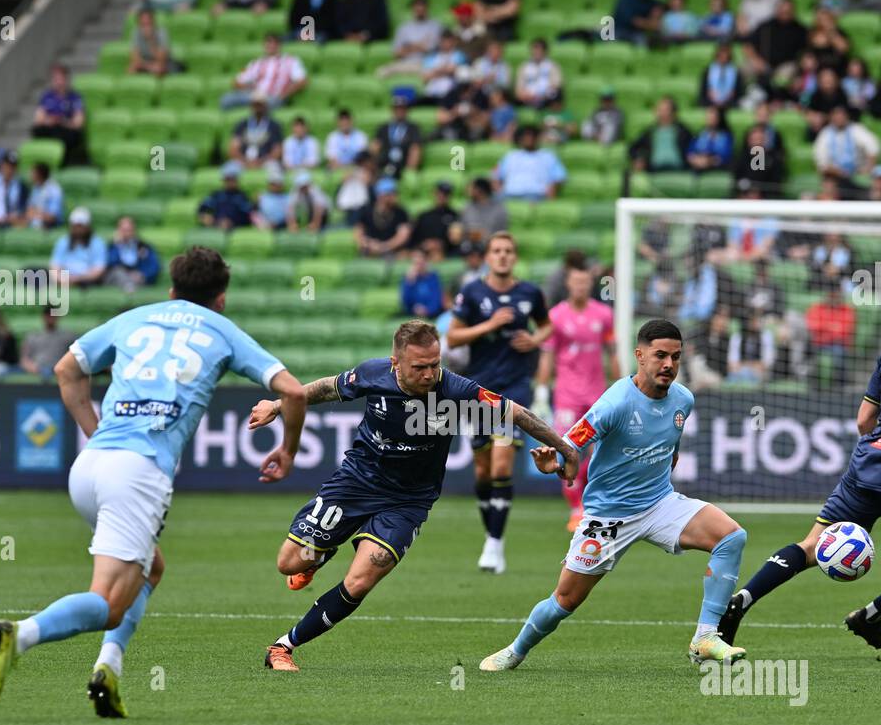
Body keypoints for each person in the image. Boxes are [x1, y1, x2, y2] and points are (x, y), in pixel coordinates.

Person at [0, 247, 308, 714]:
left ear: (171, 291)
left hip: (90, 468)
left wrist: (95, 434)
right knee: (108, 603)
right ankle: (21, 634)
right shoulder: (222, 330)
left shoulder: (135, 317)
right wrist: (288, 451)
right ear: (221, 299)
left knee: (150, 568)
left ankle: (107, 670)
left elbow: (66, 370)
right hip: (137, 474)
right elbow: (293, 391)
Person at [248, 319, 576, 671]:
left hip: (408, 501)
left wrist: (564, 449)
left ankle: (282, 647)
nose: (429, 374)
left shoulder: (456, 389)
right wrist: (278, 405)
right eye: (419, 367)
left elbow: (516, 413)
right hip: (356, 483)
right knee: (290, 562)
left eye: (435, 364)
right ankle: (320, 555)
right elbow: (327, 388)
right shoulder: (373, 374)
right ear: (396, 363)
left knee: (362, 578)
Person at [720, 260, 881, 651]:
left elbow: (863, 419)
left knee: (810, 546)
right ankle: (870, 615)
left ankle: (741, 601)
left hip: (867, 466)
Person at [480, 318, 750, 671]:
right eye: (660, 356)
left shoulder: (684, 399)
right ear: (639, 355)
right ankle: (515, 650)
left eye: (676, 357)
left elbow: (672, 447)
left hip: (658, 503)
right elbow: (571, 443)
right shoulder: (615, 404)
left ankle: (705, 637)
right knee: (566, 599)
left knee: (732, 537)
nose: (668, 364)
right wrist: (557, 465)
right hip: (608, 515)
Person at [446, 231, 550, 574]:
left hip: (514, 391)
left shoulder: (529, 293)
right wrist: (489, 325)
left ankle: (495, 544)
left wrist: (533, 340)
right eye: (497, 251)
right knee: (484, 470)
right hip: (478, 389)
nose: (503, 256)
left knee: (503, 466)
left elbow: (547, 327)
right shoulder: (474, 292)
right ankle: (490, 535)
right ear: (488, 257)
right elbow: (453, 335)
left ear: (514, 256)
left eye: (508, 250)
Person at [534, 264, 619, 531]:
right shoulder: (556, 316)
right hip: (567, 395)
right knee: (565, 450)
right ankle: (575, 507)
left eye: (585, 282)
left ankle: (587, 501)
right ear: (568, 284)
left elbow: (612, 353)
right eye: (576, 282)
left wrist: (618, 387)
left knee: (599, 453)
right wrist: (541, 390)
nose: (581, 287)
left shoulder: (604, 314)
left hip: (597, 396)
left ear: (590, 284)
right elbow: (547, 355)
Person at [220, 33, 308, 109]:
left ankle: (257, 111)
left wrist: (284, 94)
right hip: (254, 95)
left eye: (274, 42)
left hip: (272, 97)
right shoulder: (255, 63)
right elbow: (237, 82)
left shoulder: (290, 61)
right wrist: (250, 88)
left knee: (270, 103)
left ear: (279, 45)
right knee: (226, 99)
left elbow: (302, 81)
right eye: (268, 42)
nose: (271, 45)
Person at [30, 63, 86, 166]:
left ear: (66, 79)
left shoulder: (75, 97)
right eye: (55, 79)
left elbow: (78, 123)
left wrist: (62, 122)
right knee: (37, 130)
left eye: (60, 78)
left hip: (65, 128)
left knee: (70, 135)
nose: (58, 82)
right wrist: (50, 120)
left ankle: (63, 163)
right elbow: (38, 119)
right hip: (51, 128)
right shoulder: (47, 96)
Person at [493, 124, 566, 201]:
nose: (529, 139)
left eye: (532, 136)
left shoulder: (548, 156)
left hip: (535, 195)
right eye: (526, 136)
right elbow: (495, 176)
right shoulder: (510, 156)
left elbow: (558, 178)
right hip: (509, 194)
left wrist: (550, 197)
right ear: (520, 139)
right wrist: (499, 191)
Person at [379, 0, 442, 76]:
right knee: (381, 71)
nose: (420, 9)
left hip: (425, 64)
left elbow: (432, 50)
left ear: (427, 7)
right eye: (417, 6)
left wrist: (408, 47)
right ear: (413, 8)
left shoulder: (436, 26)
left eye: (422, 5)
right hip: (404, 63)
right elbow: (397, 53)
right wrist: (418, 46)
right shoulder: (403, 28)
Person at [628, 96, 691, 174]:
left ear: (673, 112)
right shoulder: (650, 131)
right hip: (654, 170)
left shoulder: (683, 131)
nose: (661, 112)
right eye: (659, 109)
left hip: (679, 169)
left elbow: (694, 147)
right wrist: (639, 159)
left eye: (665, 109)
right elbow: (633, 147)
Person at [49, 207, 108, 288]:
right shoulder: (63, 241)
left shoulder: (97, 243)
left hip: (86, 281)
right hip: (64, 278)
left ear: (87, 226)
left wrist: (78, 279)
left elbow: (98, 269)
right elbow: (55, 266)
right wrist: (62, 279)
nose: (78, 229)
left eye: (80, 226)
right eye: (75, 226)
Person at [354, 178, 411, 257]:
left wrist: (384, 247)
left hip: (392, 251)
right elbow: (358, 233)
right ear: (381, 196)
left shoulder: (401, 213)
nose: (394, 197)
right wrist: (367, 244)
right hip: (370, 249)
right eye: (391, 193)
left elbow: (403, 235)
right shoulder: (366, 211)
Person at [370, 95, 423, 179]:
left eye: (402, 108)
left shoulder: (413, 128)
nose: (399, 111)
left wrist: (409, 170)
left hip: (403, 166)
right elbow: (375, 147)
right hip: (384, 165)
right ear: (393, 110)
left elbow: (415, 149)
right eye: (397, 108)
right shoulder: (383, 127)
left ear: (406, 110)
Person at [20, 307, 79, 380]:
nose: (50, 317)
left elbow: (77, 355)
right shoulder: (33, 336)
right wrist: (31, 367)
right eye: (48, 314)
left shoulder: (68, 337)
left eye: (53, 315)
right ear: (43, 316)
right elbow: (24, 359)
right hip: (38, 370)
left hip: (58, 369)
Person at [105, 215, 161, 292]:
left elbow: (154, 266)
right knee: (117, 272)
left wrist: (142, 275)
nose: (126, 234)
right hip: (116, 279)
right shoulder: (112, 247)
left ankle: (130, 286)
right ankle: (129, 285)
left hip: (137, 280)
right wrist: (117, 246)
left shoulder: (143, 247)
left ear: (134, 231)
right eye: (123, 230)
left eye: (129, 230)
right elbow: (109, 264)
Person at [229, 95, 284, 167]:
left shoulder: (273, 126)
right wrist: (244, 161)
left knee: (274, 168)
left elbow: (277, 150)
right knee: (230, 169)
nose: (258, 108)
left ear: (265, 106)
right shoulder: (242, 125)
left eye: (260, 105)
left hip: (266, 161)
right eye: (255, 105)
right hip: (243, 161)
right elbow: (233, 149)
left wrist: (261, 161)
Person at [453, 176, 508, 247]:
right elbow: (459, 231)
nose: (467, 190)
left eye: (471, 187)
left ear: (479, 190)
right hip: (467, 247)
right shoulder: (466, 208)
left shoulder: (499, 210)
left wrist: (480, 234)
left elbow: (500, 233)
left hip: (490, 247)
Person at [198, 162, 256, 229]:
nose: (230, 182)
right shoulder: (216, 195)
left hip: (234, 229)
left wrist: (232, 223)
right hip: (216, 226)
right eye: (227, 179)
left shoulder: (242, 197)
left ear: (237, 180)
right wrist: (206, 217)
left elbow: (248, 216)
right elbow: (203, 208)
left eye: (233, 179)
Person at [410, 181, 459, 259]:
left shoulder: (455, 216)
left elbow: (455, 242)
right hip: (423, 252)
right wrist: (424, 244)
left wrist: (440, 244)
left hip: (445, 253)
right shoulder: (424, 216)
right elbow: (414, 239)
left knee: (436, 255)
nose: (442, 196)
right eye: (440, 193)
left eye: (446, 194)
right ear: (434, 193)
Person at [514, 38, 561, 109]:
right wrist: (526, 96)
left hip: (545, 98)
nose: (536, 52)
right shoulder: (524, 67)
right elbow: (519, 88)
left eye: (539, 50)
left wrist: (541, 96)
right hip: (527, 98)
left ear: (545, 51)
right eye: (534, 49)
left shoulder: (552, 66)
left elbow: (556, 85)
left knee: (556, 95)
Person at [129, 7, 174, 76]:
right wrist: (148, 66)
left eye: (148, 23)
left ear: (153, 22)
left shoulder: (161, 32)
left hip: (163, 62)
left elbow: (162, 58)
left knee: (158, 69)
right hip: (145, 62)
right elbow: (135, 57)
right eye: (143, 24)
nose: (146, 27)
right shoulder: (136, 32)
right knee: (131, 69)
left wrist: (150, 40)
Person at [686, 106, 734, 171]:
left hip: (718, 167)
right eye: (708, 116)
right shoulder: (700, 134)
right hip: (698, 164)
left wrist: (709, 161)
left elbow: (726, 156)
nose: (710, 119)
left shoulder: (726, 136)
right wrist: (695, 159)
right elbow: (690, 151)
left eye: (713, 117)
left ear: (719, 118)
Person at [400, 250, 444, 318]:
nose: (418, 266)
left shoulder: (433, 277)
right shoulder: (408, 279)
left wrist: (428, 310)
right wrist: (409, 283)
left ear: (426, 262)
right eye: (415, 263)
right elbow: (406, 302)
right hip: (412, 315)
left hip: (431, 314)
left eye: (420, 263)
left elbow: (436, 299)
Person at [699, 42, 743, 109]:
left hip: (730, 102)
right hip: (711, 101)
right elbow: (703, 90)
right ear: (717, 53)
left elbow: (739, 91)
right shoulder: (708, 71)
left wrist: (733, 94)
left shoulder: (735, 71)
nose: (723, 55)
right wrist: (709, 93)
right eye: (721, 52)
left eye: (725, 52)